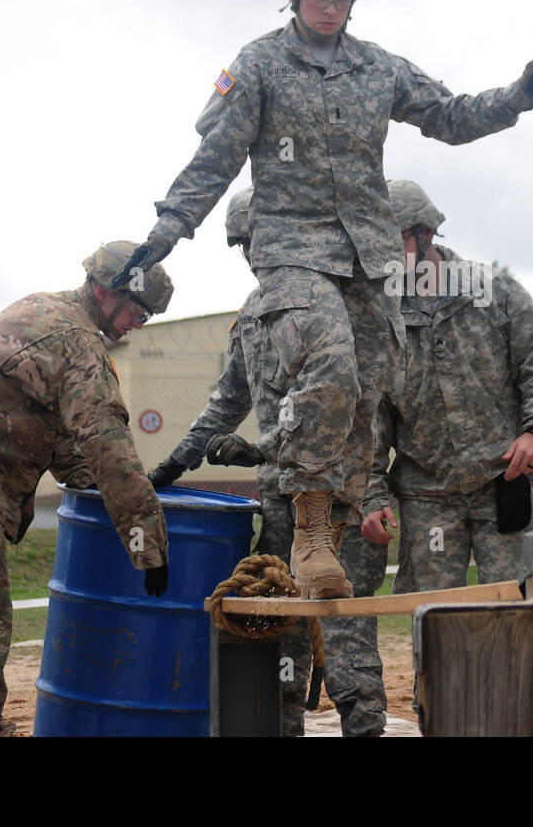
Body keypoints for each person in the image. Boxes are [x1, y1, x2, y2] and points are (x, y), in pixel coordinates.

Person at [112, 0, 533, 599]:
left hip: (370, 261)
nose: (330, 5)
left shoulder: (378, 68)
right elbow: (216, 159)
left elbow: (448, 117)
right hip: (294, 251)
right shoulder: (260, 65)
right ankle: (312, 529)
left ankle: (328, 515)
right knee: (327, 363)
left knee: (365, 387)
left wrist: (519, 96)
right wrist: (167, 229)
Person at [0, 242, 174, 736]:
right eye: (138, 311)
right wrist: (147, 540)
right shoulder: (79, 340)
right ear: (106, 292)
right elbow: (107, 444)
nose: (139, 324)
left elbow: (64, 442)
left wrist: (104, 492)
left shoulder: (43, 311)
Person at [147, 188, 390, 736]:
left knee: (346, 645)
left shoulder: (332, 302)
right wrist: (174, 463)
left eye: (258, 240)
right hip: (281, 504)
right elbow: (226, 400)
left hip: (335, 504)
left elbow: (344, 407)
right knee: (281, 638)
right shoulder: (255, 314)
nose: (253, 253)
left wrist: (263, 449)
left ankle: (367, 731)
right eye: (244, 244)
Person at [363, 181, 533, 595]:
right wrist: (371, 494)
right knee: (432, 617)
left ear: (425, 235)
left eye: (395, 240)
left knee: (517, 608)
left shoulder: (494, 293)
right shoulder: (380, 318)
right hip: (427, 497)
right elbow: (371, 416)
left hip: (502, 482)